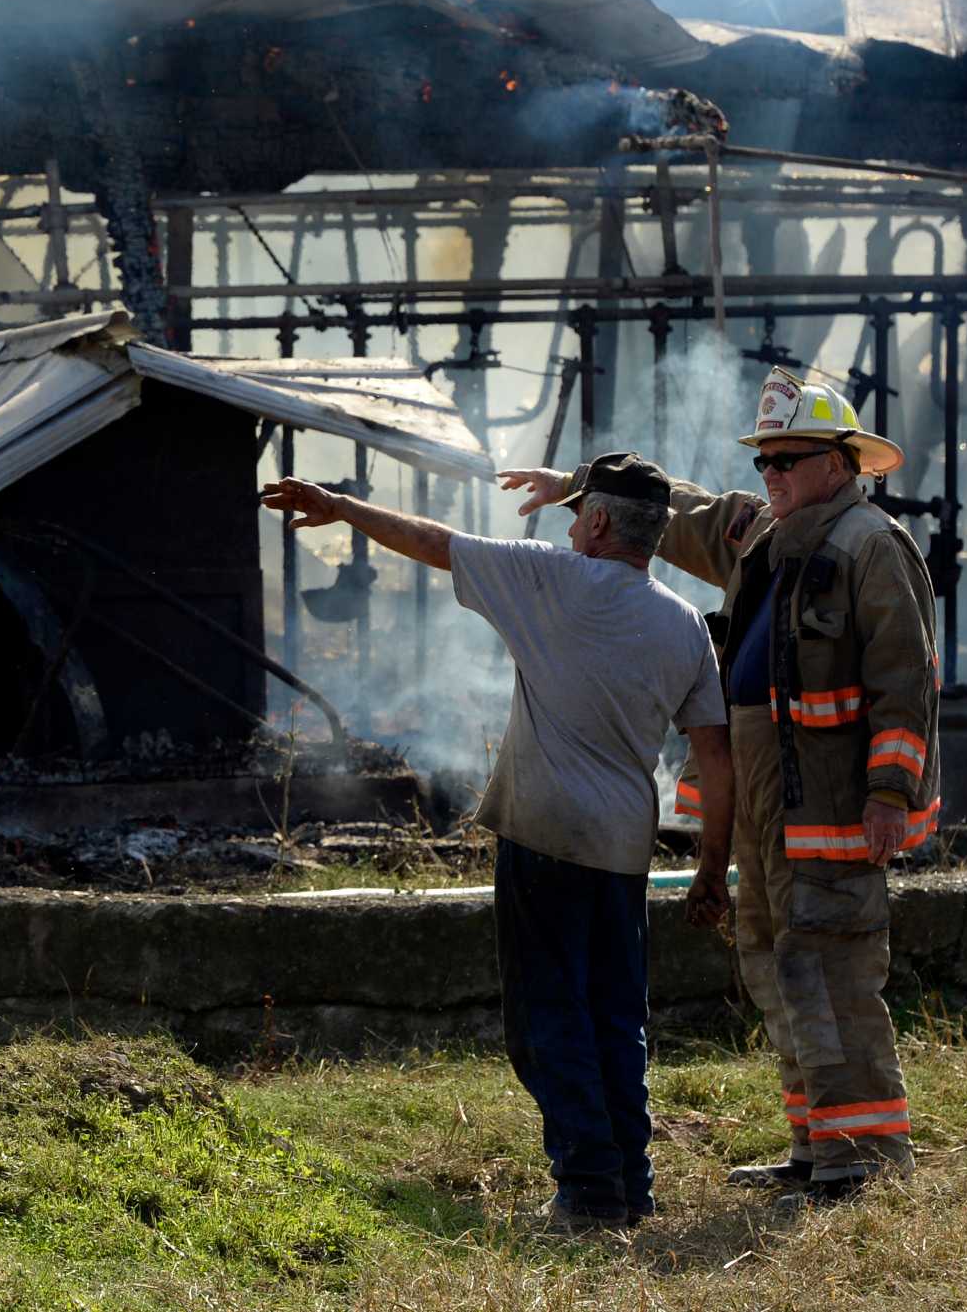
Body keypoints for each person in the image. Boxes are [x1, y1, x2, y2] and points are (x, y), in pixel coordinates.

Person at [503, 367, 942, 1209]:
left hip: (835, 812)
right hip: (768, 814)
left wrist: (890, 792)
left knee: (832, 968)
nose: (771, 473)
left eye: (788, 458)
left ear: (841, 463)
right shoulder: (765, 538)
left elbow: (903, 681)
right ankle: (815, 1147)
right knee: (776, 964)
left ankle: (867, 1154)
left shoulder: (868, 547)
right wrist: (578, 488)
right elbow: (690, 514)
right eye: (766, 459)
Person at [261, 453, 729, 1231]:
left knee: (550, 1018)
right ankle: (629, 1185)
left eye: (580, 510)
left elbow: (437, 541)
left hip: (544, 838)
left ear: (603, 522)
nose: (571, 522)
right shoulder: (682, 622)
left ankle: (586, 1191)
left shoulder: (548, 577)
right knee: (617, 1015)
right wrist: (712, 867)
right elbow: (715, 754)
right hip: (622, 850)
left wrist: (344, 507)